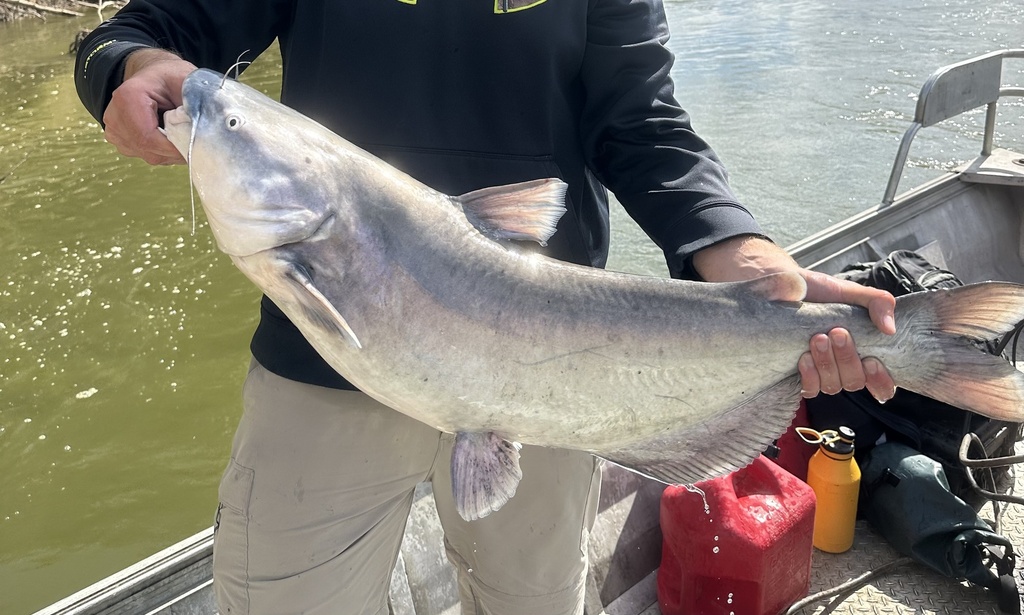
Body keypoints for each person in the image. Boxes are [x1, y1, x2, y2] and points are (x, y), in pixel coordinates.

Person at [75, 1, 897, 613]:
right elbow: (145, 33)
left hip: (551, 363)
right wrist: (125, 65)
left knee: (532, 600)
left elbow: (639, 117)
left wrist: (739, 249)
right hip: (324, 350)